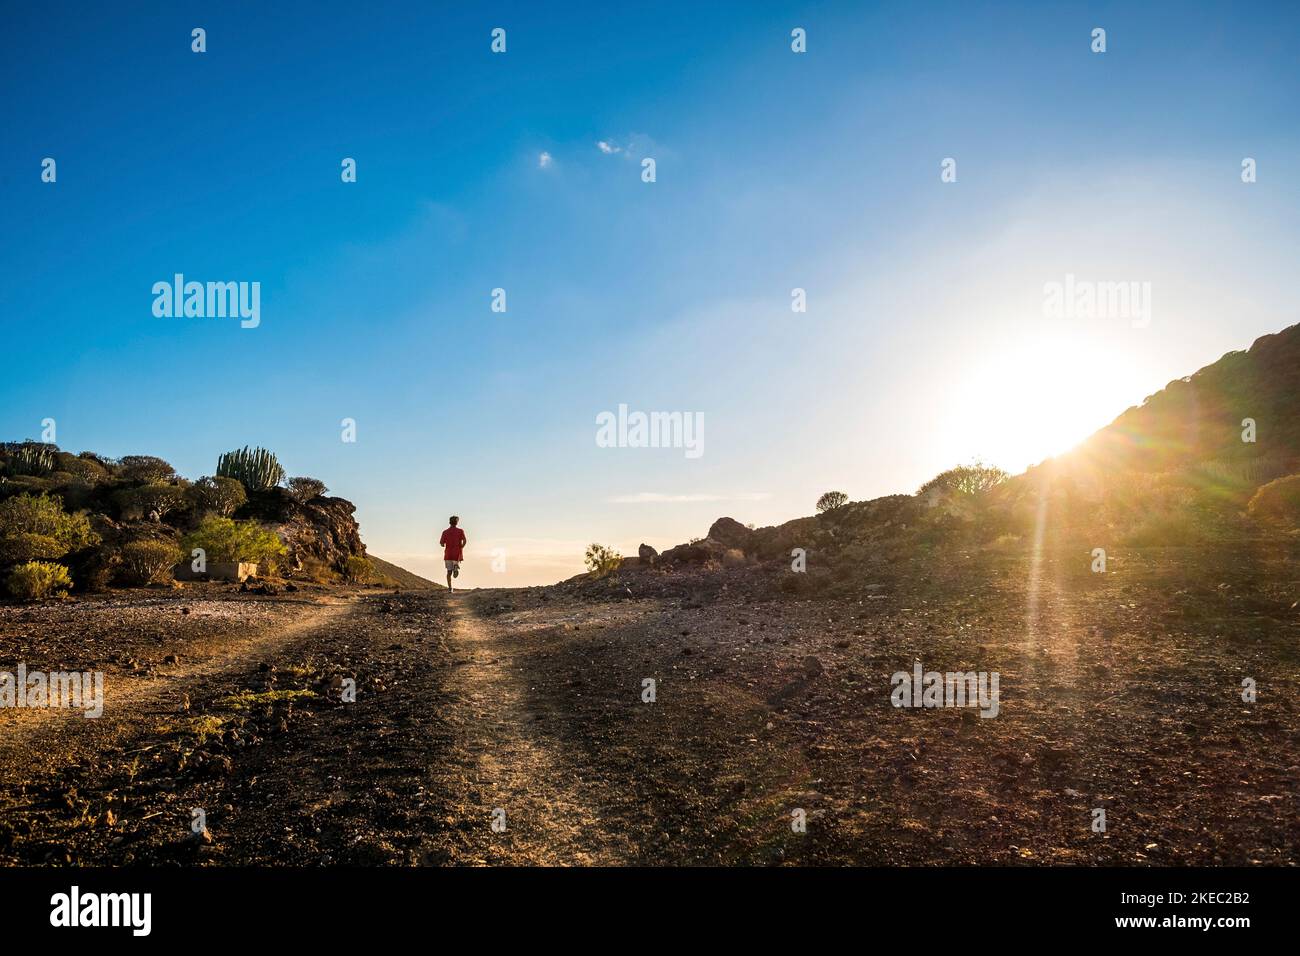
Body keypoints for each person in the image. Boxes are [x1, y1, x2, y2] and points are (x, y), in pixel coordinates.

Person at [439, 516, 467, 591]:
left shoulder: (445, 532)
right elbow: (464, 540)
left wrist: (444, 544)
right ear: (457, 522)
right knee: (455, 563)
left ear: (449, 522)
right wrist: (462, 547)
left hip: (448, 554)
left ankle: (450, 588)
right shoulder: (460, 531)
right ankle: (456, 567)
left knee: (448, 572)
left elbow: (441, 543)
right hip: (457, 553)